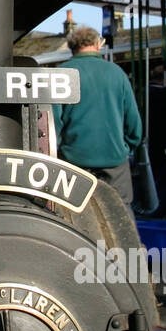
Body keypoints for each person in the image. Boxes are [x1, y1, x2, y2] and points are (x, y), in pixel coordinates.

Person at [52, 25, 143, 206]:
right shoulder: (117, 73)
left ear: (71, 46)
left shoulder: (61, 74)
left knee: (75, 217)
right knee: (120, 216)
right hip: (114, 160)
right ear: (97, 44)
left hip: (74, 162)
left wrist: (61, 151)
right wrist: (125, 147)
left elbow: (53, 123)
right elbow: (134, 124)